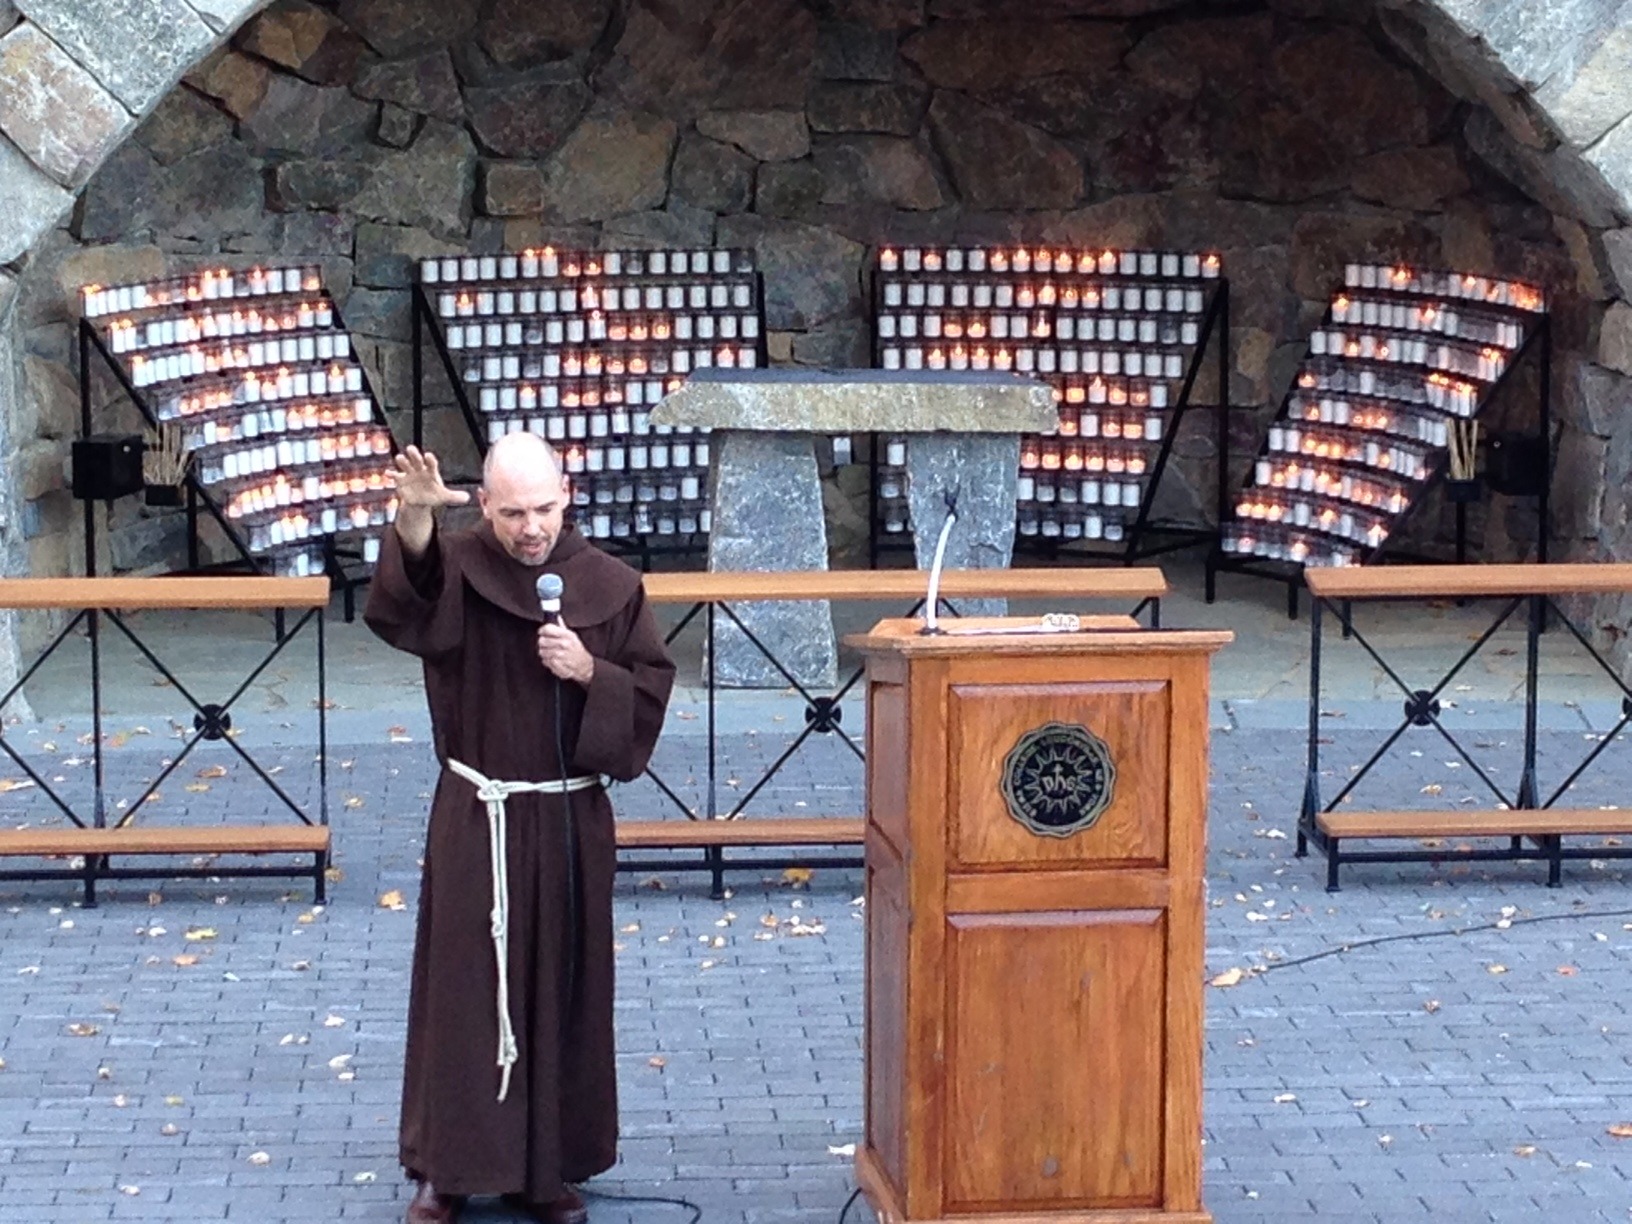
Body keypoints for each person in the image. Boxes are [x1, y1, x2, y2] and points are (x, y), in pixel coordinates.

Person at [364, 434, 676, 1224]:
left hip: (568, 818)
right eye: (511, 514)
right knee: (465, 989)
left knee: (559, 986)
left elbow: (646, 693)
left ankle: (545, 1169)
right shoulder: (462, 567)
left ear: (566, 494)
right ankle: (448, 1168)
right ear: (485, 506)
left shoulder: (610, 586)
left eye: (542, 509)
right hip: (481, 812)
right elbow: (410, 605)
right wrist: (412, 524)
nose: (530, 529)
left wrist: (589, 674)